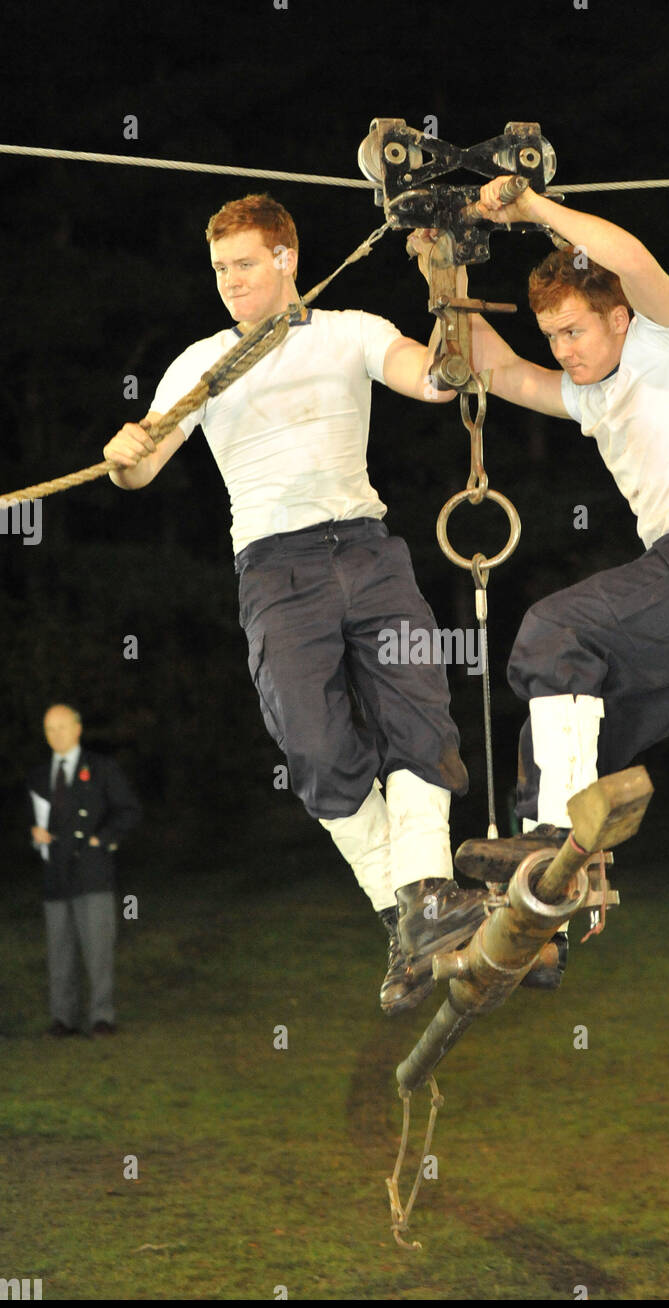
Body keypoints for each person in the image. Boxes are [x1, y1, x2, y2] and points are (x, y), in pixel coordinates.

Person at [102, 192, 530, 1016]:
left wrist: (446, 284)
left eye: (244, 264)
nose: (228, 281)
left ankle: (427, 903)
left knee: (419, 722)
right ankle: (409, 915)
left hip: (367, 553)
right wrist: (124, 455)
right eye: (219, 267)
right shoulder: (199, 365)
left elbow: (436, 380)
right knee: (315, 750)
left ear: (287, 259)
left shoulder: (352, 331)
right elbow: (141, 468)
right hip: (274, 571)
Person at [456, 177, 669, 970]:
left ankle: (543, 843)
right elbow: (498, 373)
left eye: (573, 331)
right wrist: (447, 269)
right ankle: (544, 923)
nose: (562, 350)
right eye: (552, 336)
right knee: (570, 731)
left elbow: (630, 257)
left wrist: (532, 208)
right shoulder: (590, 394)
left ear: (618, 317)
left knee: (553, 630)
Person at [28, 704, 141, 1037]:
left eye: (61, 727)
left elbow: (129, 810)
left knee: (98, 950)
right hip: (55, 876)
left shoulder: (102, 768)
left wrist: (102, 839)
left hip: (92, 874)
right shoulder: (38, 775)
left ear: (77, 729)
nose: (55, 735)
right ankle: (63, 1018)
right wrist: (35, 836)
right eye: (49, 729)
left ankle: (101, 1017)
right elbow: (32, 823)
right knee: (59, 953)